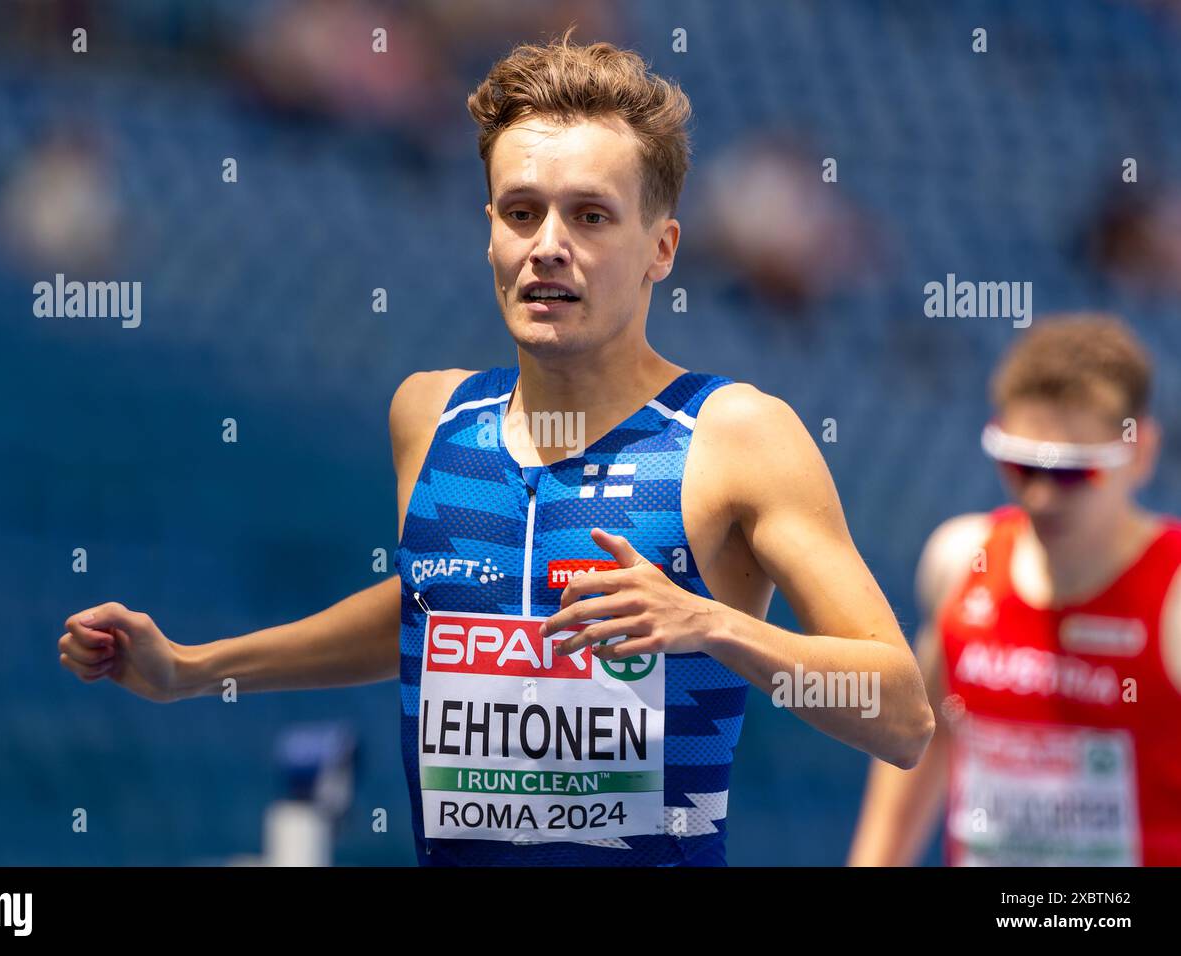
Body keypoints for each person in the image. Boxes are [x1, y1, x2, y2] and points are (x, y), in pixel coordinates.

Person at [60, 30, 933, 867]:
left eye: (591, 216)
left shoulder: (734, 436)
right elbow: (429, 604)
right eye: (523, 212)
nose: (548, 245)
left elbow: (900, 716)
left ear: (661, 249)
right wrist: (193, 669)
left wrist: (708, 622)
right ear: (490, 232)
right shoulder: (431, 416)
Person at [848, 314, 1181, 867]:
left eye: (1075, 473)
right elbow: (921, 734)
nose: (1044, 497)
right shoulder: (961, 560)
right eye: (1023, 467)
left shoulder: (1171, 598)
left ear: (1140, 451)